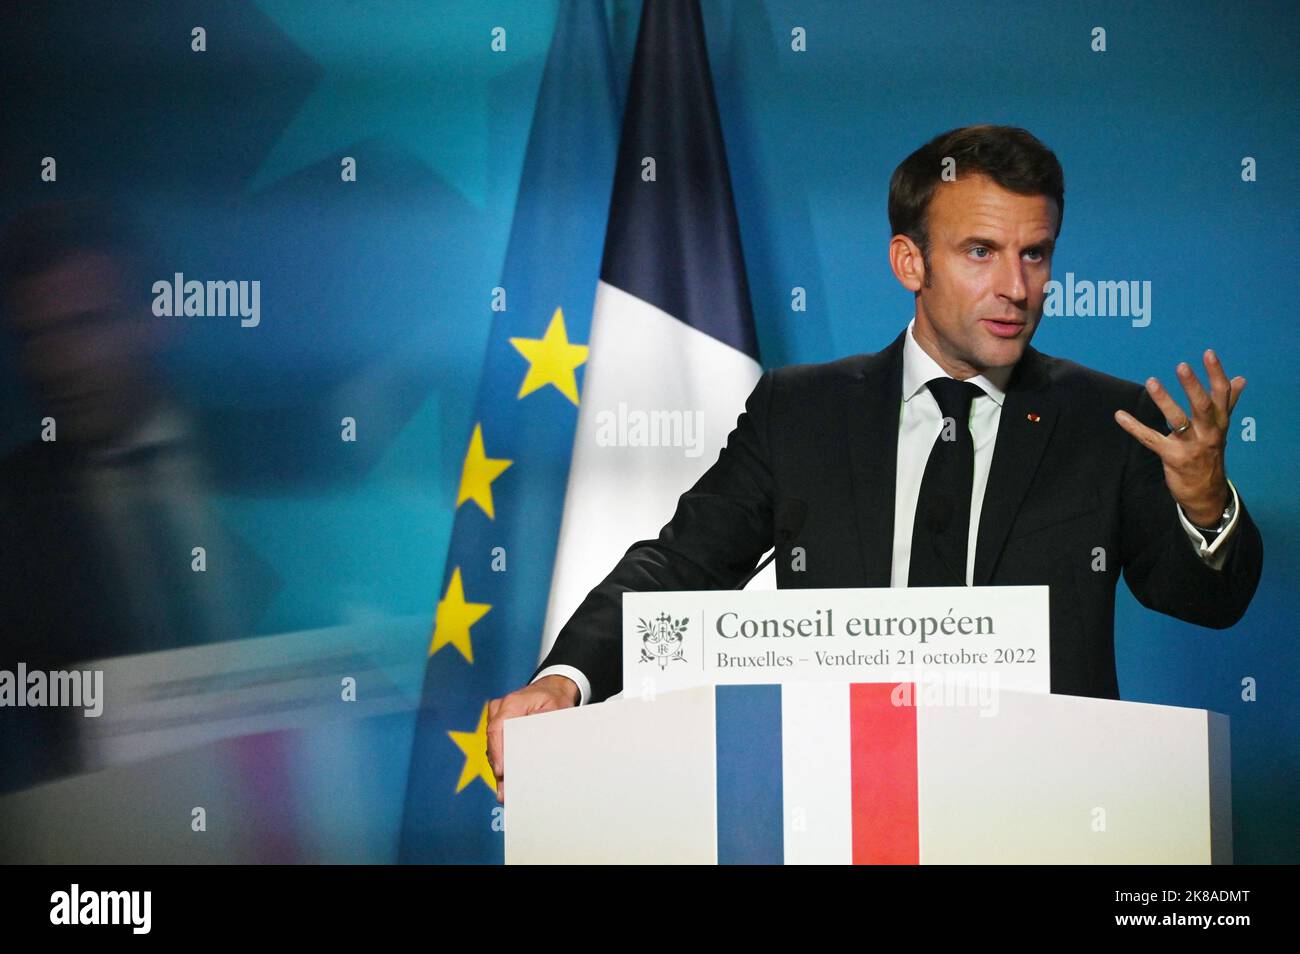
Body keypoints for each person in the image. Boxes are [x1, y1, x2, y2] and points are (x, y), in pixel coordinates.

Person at [485, 125, 1264, 803]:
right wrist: (566, 680)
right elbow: (680, 564)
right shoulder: (801, 413)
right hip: (839, 801)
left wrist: (1204, 505)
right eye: (981, 252)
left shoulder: (1107, 420)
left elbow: (1206, 600)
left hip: (1043, 813)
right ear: (909, 262)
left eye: (1035, 255)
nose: (1016, 288)